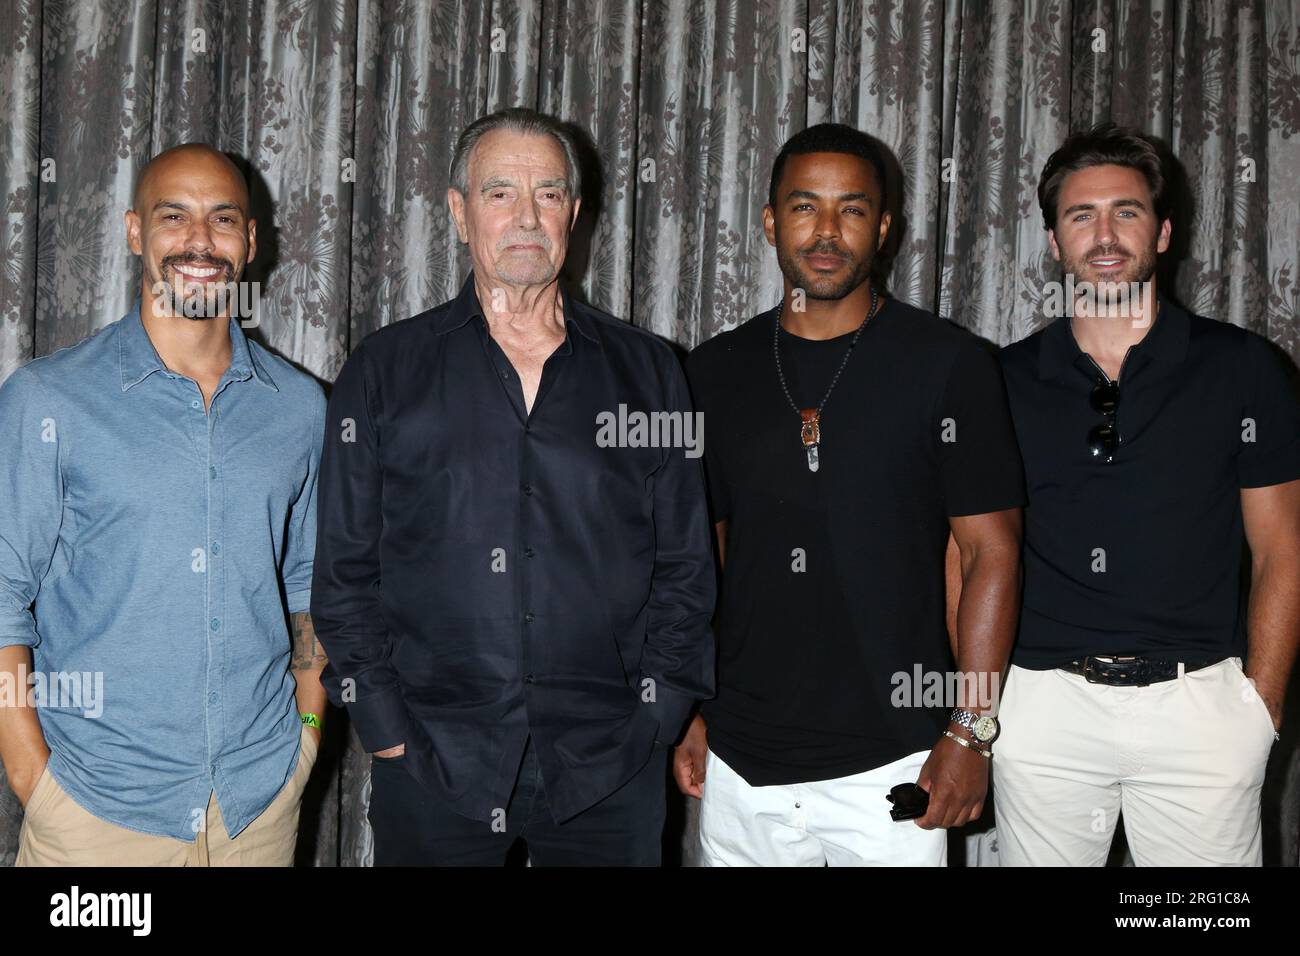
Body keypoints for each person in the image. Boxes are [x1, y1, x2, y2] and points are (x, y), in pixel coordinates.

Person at [311, 108, 716, 866]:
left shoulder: (650, 372)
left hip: (607, 764)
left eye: (550, 193)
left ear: (575, 213)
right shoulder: (383, 372)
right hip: (432, 763)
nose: (527, 217)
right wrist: (387, 729)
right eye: (501, 193)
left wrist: (659, 718)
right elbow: (342, 575)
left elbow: (686, 566)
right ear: (460, 212)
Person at [680, 123, 1025, 866]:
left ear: (885, 227)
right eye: (805, 207)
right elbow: (697, 561)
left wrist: (970, 729)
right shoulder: (712, 372)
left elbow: (990, 553)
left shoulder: (951, 365)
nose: (827, 231)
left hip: (898, 759)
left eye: (853, 209)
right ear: (771, 222)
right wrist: (690, 710)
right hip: (743, 763)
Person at [0, 143, 327, 866]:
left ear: (249, 240)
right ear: (134, 231)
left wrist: (307, 727)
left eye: (222, 218)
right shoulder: (47, 400)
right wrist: (35, 778)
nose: (199, 241)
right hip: (97, 814)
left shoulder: (301, 409)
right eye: (173, 215)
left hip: (258, 808)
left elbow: (309, 584)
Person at [992, 123, 1300, 866]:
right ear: (1054, 241)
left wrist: (1259, 707)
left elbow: (1282, 548)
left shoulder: (1244, 368)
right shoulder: (1001, 380)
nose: (1104, 234)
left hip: (1203, 708)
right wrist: (984, 706)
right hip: (1042, 707)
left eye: (1125, 212)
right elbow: (967, 552)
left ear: (1163, 232)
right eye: (1080, 215)